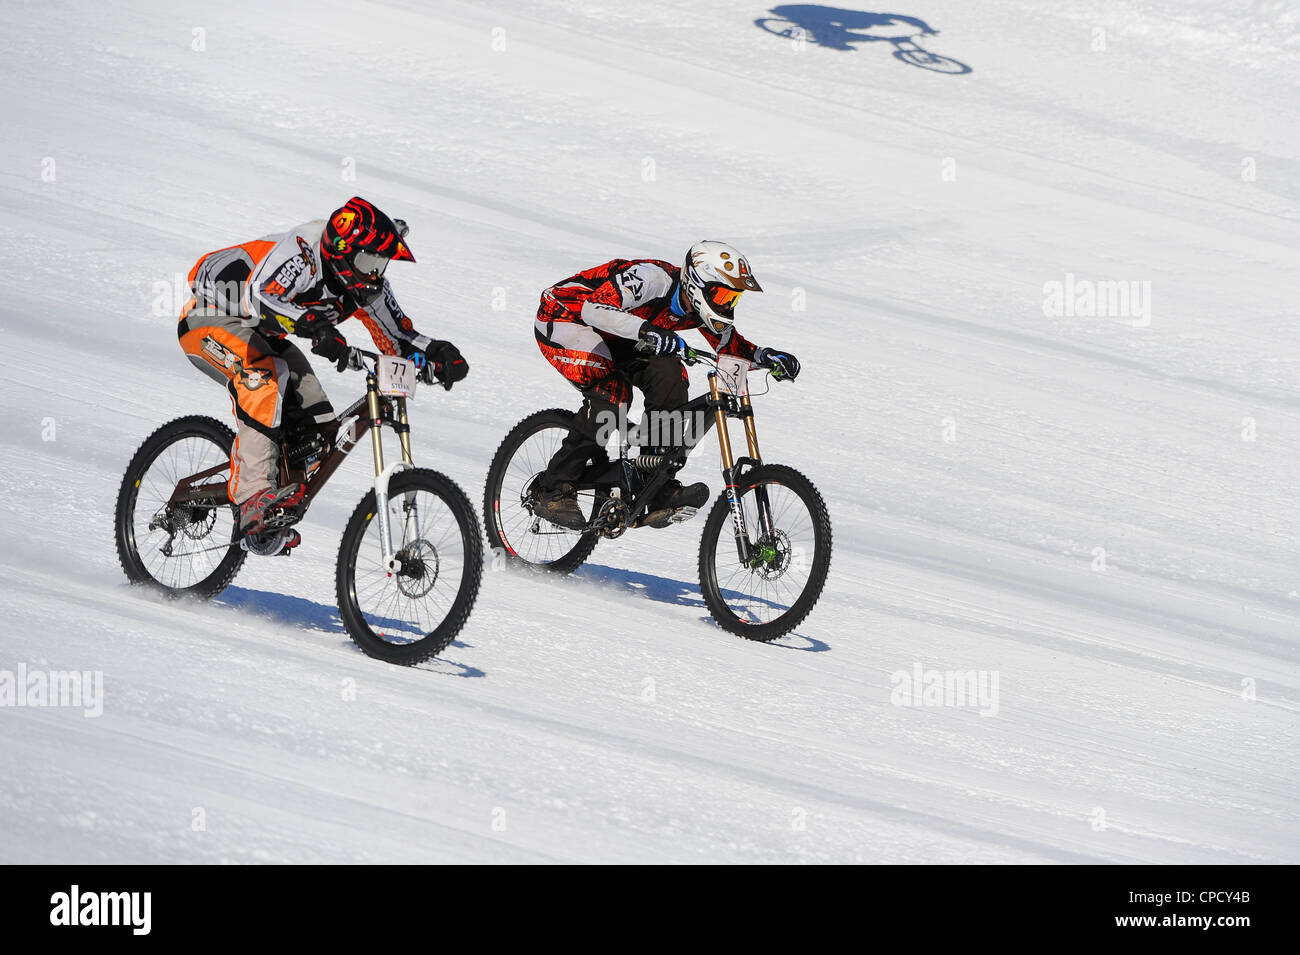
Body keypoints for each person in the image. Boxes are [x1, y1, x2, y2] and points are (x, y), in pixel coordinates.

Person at [177, 196, 468, 548]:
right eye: (368, 260)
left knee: (318, 426)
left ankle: (277, 505)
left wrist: (436, 353)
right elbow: (261, 297)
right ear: (343, 252)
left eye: (380, 263)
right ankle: (253, 496)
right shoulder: (303, 251)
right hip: (208, 318)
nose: (374, 272)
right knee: (264, 377)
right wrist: (315, 326)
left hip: (261, 334)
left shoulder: (367, 285)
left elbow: (399, 338)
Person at [532, 240, 800, 529]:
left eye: (732, 299)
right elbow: (594, 309)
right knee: (614, 396)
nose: (725, 304)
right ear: (697, 282)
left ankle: (656, 484)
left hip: (618, 335)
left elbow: (730, 347)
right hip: (565, 319)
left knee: (670, 373)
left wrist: (766, 356)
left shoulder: (695, 309)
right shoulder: (651, 279)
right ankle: (553, 489)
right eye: (721, 295)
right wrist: (648, 329)